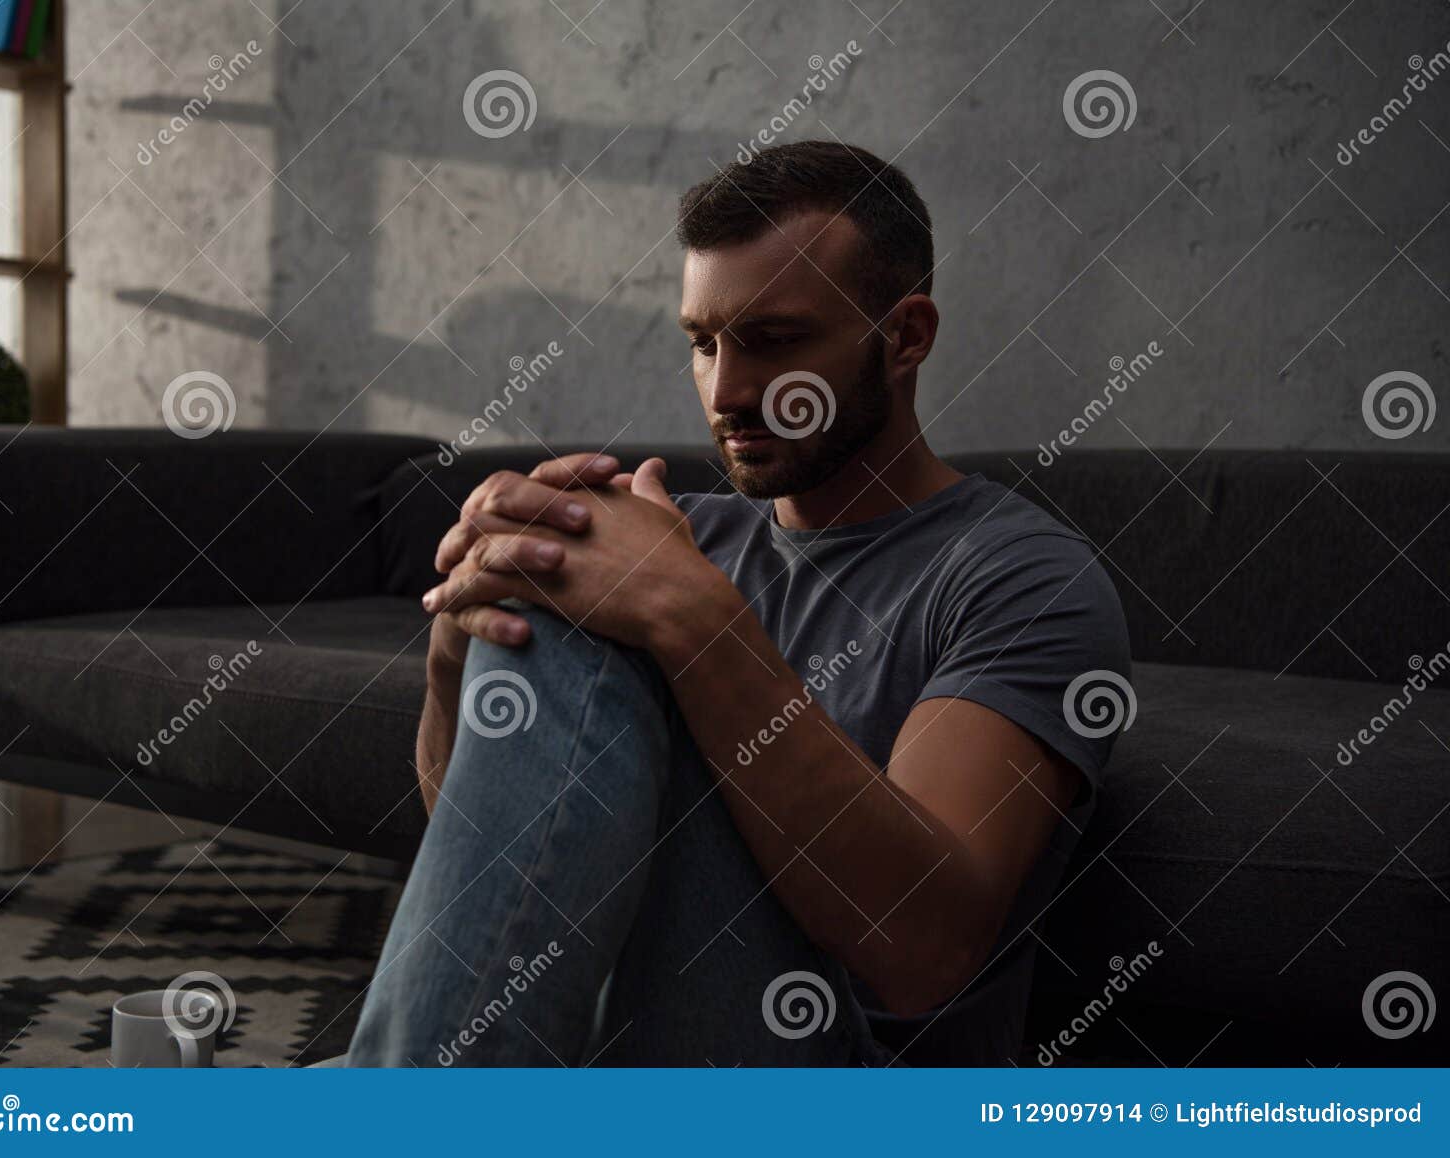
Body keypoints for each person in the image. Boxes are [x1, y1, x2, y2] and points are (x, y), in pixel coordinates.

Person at [346, 140, 1131, 1066]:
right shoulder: (691, 534)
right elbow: (509, 863)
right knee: (565, 569)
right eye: (704, 343)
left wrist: (694, 619)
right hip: (624, 1041)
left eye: (775, 341)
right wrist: (459, 639)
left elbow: (923, 951)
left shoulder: (1020, 576)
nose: (727, 392)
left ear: (906, 335)